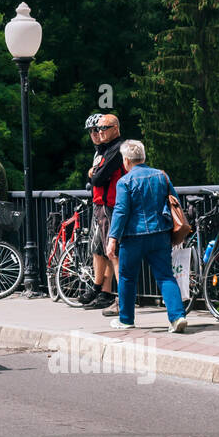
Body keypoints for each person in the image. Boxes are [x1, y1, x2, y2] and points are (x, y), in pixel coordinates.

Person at [105, 139, 188, 332]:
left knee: (127, 277)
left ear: (126, 160)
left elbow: (121, 211)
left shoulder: (124, 181)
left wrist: (112, 239)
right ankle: (177, 317)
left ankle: (126, 319)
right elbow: (174, 201)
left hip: (133, 236)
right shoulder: (161, 176)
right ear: (143, 157)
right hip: (160, 234)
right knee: (166, 276)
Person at [80, 114, 126, 313]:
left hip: (111, 205)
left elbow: (98, 178)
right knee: (99, 249)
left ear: (115, 128)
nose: (98, 132)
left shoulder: (118, 148)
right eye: (95, 130)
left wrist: (93, 173)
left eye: (103, 128)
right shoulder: (105, 150)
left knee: (113, 252)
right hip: (101, 205)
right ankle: (99, 289)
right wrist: (93, 173)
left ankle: (121, 301)